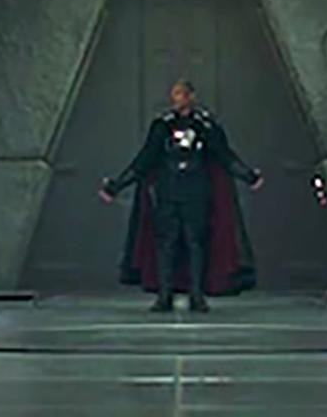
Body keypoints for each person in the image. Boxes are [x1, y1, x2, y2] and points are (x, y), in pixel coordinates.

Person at [99, 80, 263, 312]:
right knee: (166, 244)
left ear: (191, 96)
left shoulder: (205, 125)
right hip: (168, 192)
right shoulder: (162, 125)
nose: (177, 98)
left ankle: (196, 295)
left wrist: (248, 176)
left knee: (196, 243)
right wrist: (116, 186)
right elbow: (145, 160)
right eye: (175, 94)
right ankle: (165, 295)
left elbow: (224, 156)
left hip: (196, 192)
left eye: (182, 94)